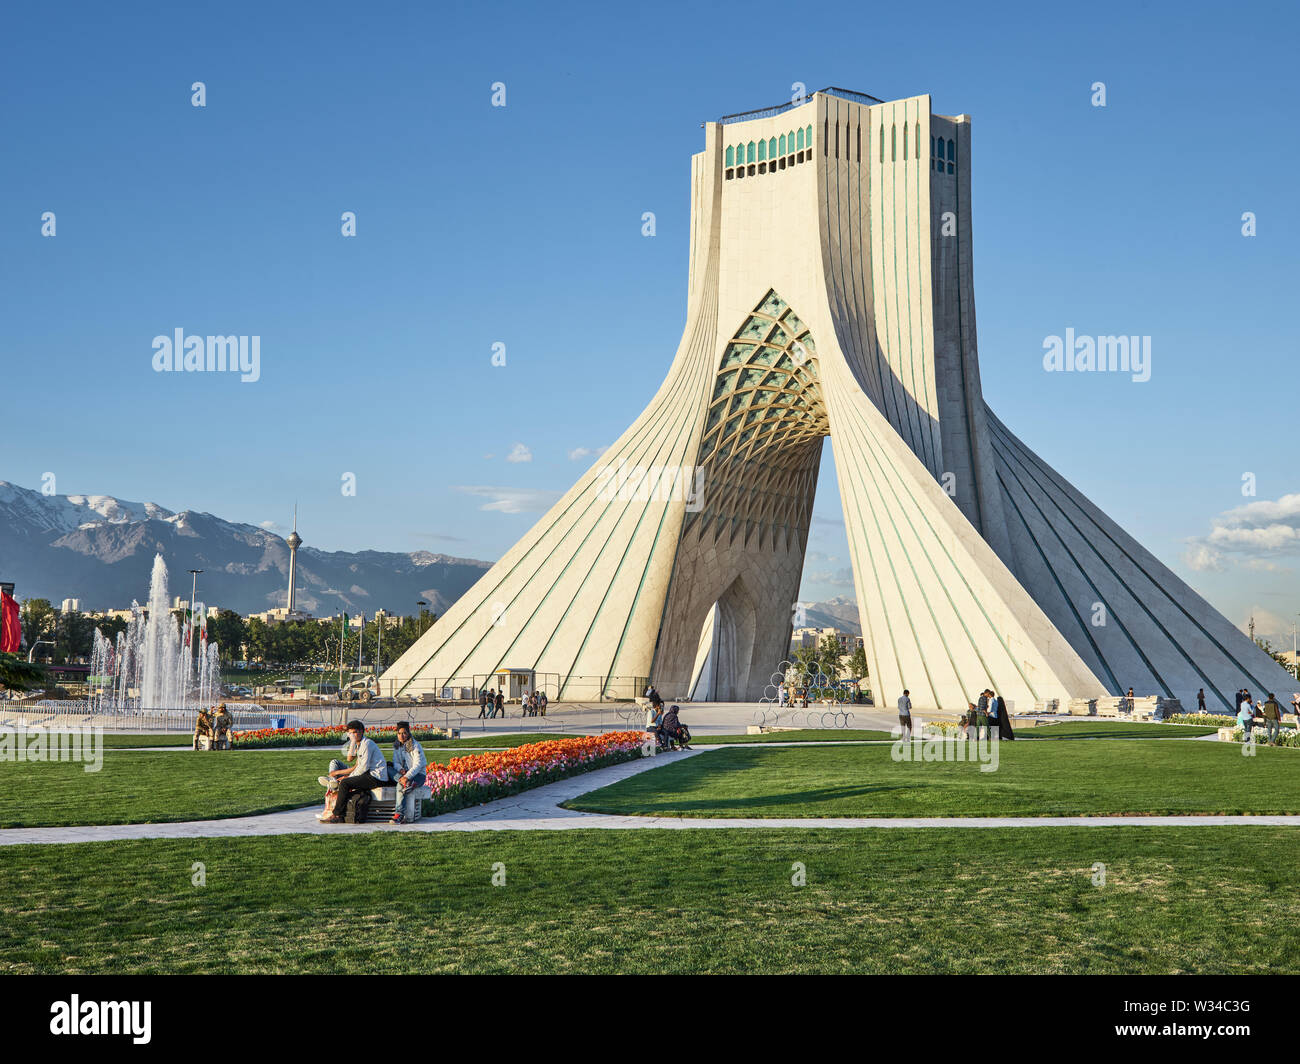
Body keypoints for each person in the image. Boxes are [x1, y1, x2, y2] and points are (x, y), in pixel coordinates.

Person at [320, 720, 389, 823]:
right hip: (368, 774)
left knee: (344, 783)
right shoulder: (359, 744)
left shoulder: (367, 744)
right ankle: (333, 785)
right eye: (351, 733)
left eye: (355, 732)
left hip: (376, 777)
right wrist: (352, 742)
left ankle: (336, 815)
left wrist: (348, 777)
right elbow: (350, 760)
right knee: (342, 779)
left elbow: (363, 767)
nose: (353, 735)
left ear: (361, 732)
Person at [390, 721, 428, 824]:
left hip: (418, 775)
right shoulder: (397, 745)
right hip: (403, 774)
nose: (401, 736)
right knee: (388, 767)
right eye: (399, 733)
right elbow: (395, 762)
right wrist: (400, 770)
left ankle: (398, 814)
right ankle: (405, 782)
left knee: (399, 785)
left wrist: (406, 776)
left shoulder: (415, 745)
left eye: (404, 733)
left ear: (408, 733)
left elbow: (418, 765)